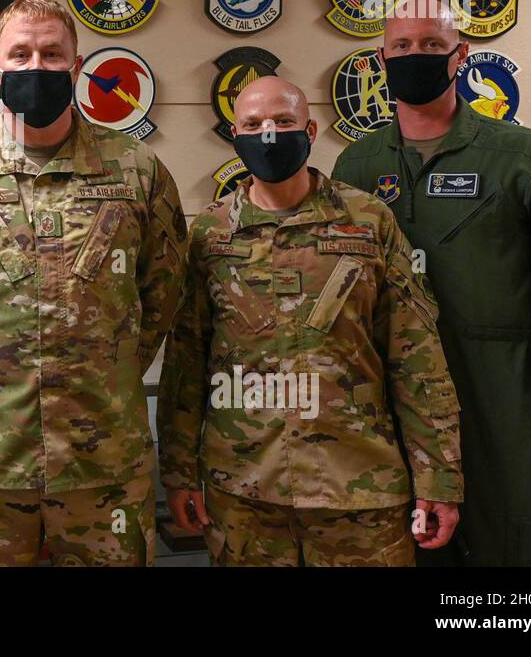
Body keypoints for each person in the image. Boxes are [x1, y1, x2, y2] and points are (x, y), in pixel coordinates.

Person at [0, 0, 185, 566]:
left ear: (77, 67)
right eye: (20, 54)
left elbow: (163, 288)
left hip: (103, 459)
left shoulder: (136, 169)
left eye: (52, 54)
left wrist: (109, 364)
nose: (36, 67)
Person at [332, 0, 531, 566]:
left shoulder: (524, 158)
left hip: (511, 401)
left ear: (460, 55)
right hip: (399, 413)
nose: (417, 56)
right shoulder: (357, 167)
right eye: (403, 47)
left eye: (433, 46)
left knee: (527, 558)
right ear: (381, 58)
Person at [159, 76, 463, 566]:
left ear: (311, 129)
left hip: (359, 488)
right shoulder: (210, 233)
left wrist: (439, 478)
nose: (270, 134)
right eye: (254, 125)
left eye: (283, 121)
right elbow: (186, 364)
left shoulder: (367, 222)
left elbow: (416, 357)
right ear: (235, 137)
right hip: (245, 491)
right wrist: (177, 472)